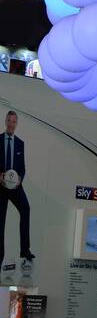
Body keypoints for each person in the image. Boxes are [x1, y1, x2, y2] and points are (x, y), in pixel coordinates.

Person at [0, 110, 34, 268]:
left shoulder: (21, 143)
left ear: (16, 124)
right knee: (1, 222)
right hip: (0, 187)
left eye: (14, 122)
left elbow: (23, 168)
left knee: (26, 208)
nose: (11, 124)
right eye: (9, 121)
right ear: (5, 121)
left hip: (15, 187)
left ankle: (25, 249)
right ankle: (0, 255)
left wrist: (20, 178)